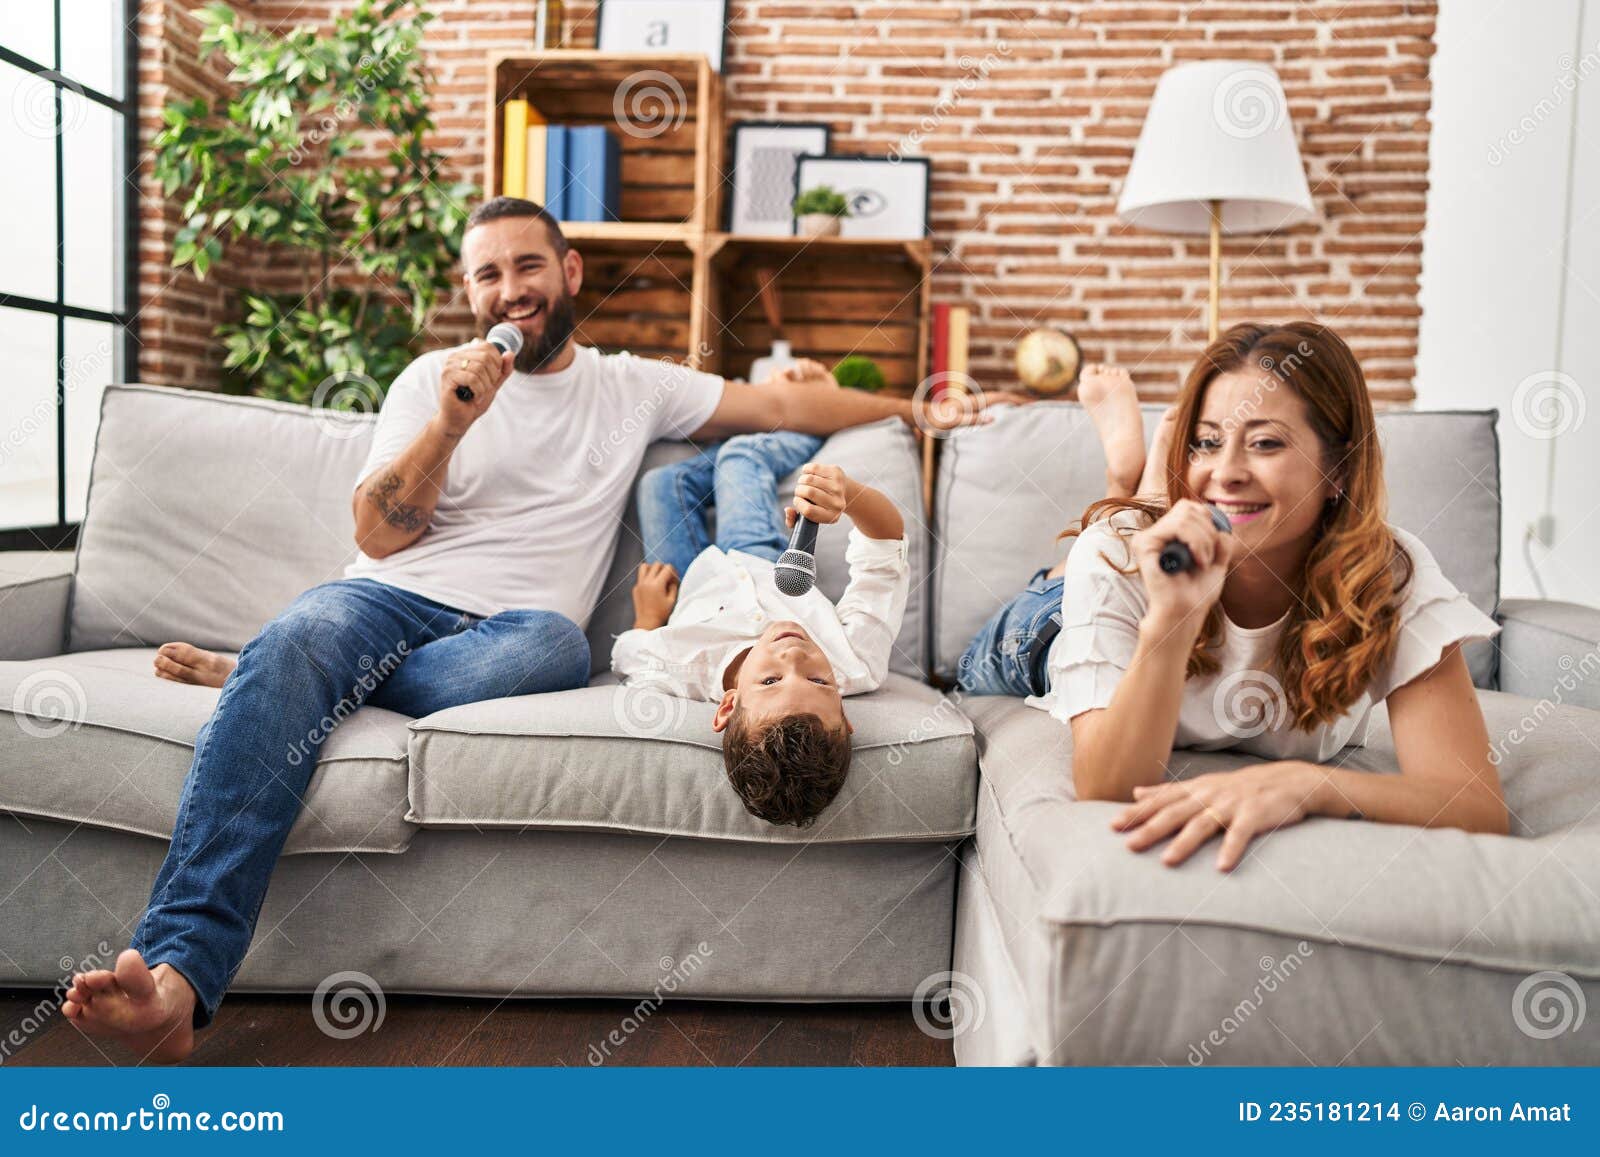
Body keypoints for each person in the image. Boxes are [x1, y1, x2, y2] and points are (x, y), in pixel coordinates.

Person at [60, 196, 1012, 1063]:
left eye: (527, 266)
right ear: (468, 290)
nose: (509, 290)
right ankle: (181, 976)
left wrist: (919, 407)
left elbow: (783, 406)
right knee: (311, 631)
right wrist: (450, 423)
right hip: (389, 601)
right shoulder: (433, 379)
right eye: (487, 274)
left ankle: (273, 678)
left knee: (559, 645)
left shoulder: (631, 387)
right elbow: (376, 534)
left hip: (518, 630)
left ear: (569, 273)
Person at [957, 322, 1509, 871]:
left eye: (1265, 443)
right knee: (997, 641)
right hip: (1051, 629)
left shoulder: (1385, 574)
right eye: (1205, 442)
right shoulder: (1116, 555)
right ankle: (1130, 490)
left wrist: (1308, 786)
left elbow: (1475, 806)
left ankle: (1143, 491)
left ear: (1339, 467)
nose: (1226, 472)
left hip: (1151, 554)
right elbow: (1108, 787)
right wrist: (1172, 619)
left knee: (1120, 535)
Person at [614, 462, 908, 827]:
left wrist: (648, 617)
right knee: (741, 458)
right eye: (819, 681)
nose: (794, 656)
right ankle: (795, 427)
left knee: (661, 481)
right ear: (845, 716)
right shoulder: (858, 664)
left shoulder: (678, 671)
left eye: (770, 681)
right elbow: (885, 552)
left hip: (687, 583)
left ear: (727, 706)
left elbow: (629, 656)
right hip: (763, 562)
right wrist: (846, 492)